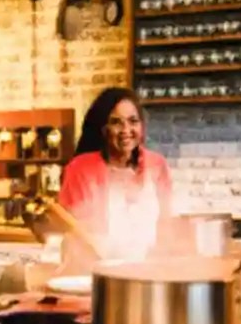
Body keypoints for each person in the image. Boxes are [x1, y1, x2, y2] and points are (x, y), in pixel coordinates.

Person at [57, 87, 173, 263]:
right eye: (116, 122)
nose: (126, 130)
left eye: (133, 121)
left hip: (149, 270)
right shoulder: (80, 169)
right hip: (95, 273)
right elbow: (72, 232)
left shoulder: (157, 165)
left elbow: (167, 224)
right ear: (103, 128)